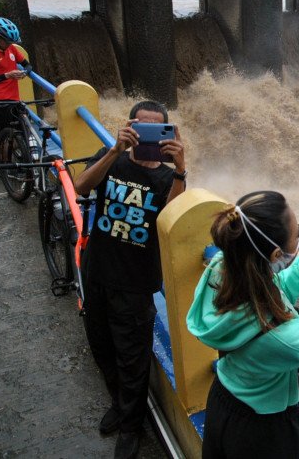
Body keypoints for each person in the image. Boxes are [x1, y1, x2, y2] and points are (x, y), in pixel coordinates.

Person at [187, 192, 299, 458]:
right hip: (264, 433)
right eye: (297, 237)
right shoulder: (282, 335)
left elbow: (274, 288)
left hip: (223, 402)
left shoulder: (223, 268)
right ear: (277, 254)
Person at [74, 100, 187, 459]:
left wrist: (182, 169)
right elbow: (80, 187)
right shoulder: (112, 157)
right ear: (129, 126)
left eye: (157, 128)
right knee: (101, 345)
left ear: (168, 133)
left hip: (136, 284)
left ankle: (131, 427)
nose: (147, 134)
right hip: (97, 272)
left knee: (132, 359)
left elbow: (171, 223)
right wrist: (114, 150)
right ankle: (120, 406)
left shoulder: (169, 178)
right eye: (140, 126)